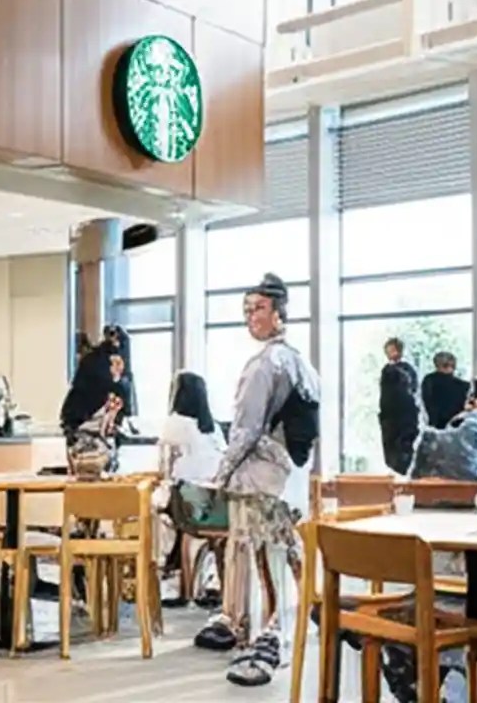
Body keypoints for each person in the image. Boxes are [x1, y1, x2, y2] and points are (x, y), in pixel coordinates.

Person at [195, 273, 318, 688]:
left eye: (259, 308)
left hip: (263, 478)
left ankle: (271, 639)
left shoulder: (266, 364)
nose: (252, 316)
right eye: (247, 309)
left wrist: (222, 473)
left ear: (280, 311)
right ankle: (294, 623)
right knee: (286, 553)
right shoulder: (301, 363)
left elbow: (246, 429)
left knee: (265, 558)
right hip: (289, 477)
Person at [154, 371, 226, 604]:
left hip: (189, 505)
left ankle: (175, 581)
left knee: (157, 509)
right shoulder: (213, 427)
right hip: (219, 506)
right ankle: (213, 583)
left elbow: (164, 467)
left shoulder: (174, 424)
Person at [378, 337, 420, 475]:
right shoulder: (388, 370)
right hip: (391, 416)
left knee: (402, 449)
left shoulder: (405, 370)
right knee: (392, 450)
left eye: (393, 350)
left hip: (403, 416)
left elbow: (412, 390)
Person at [421, 351, 469, 429]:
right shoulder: (464, 386)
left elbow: (426, 402)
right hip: (457, 428)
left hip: (435, 427)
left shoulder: (429, 380)